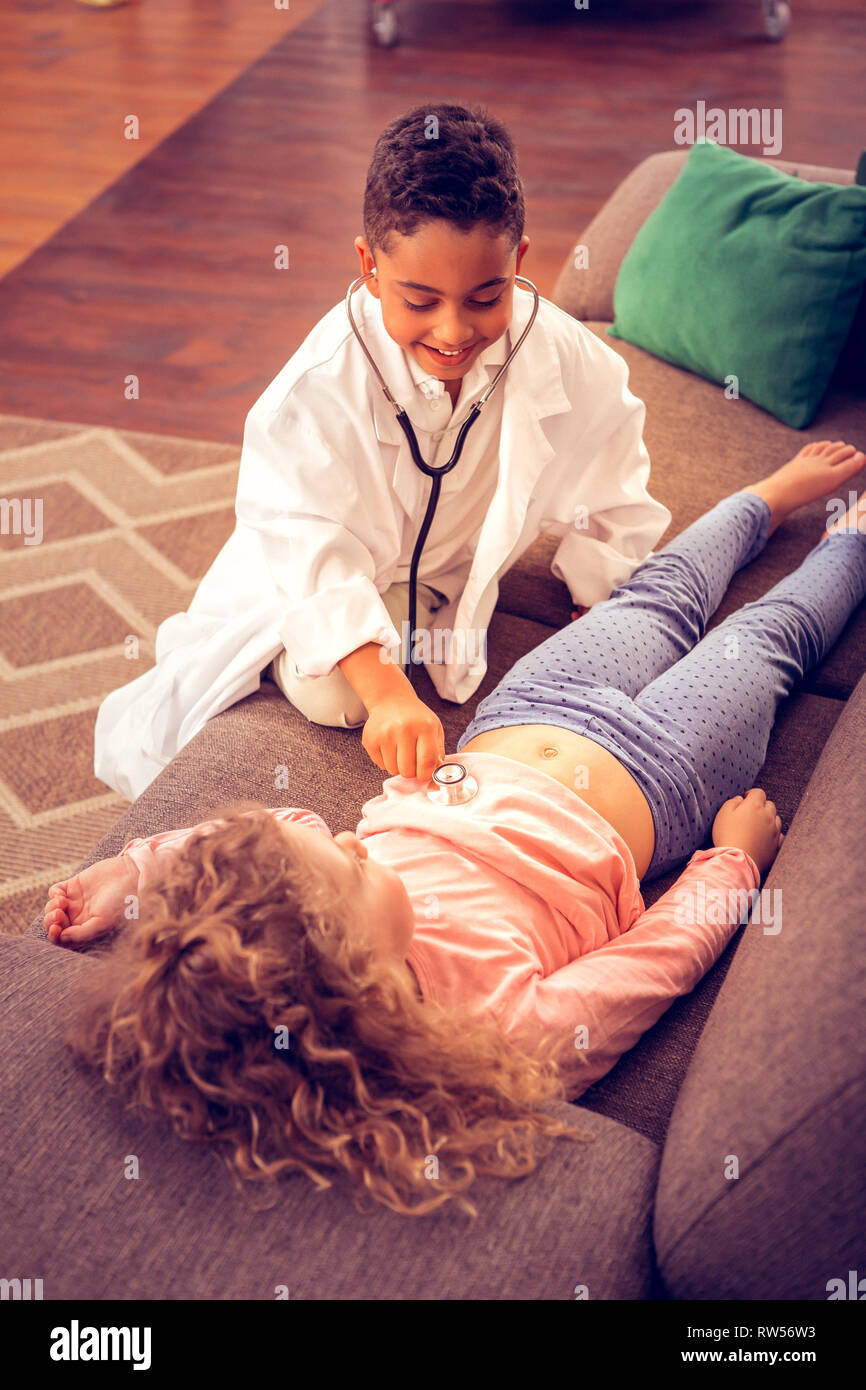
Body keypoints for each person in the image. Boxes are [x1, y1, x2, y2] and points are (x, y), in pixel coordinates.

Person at [46, 442, 866, 1220]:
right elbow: (648, 968)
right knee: (763, 641)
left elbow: (268, 841)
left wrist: (138, 871)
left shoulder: (322, 906)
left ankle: (766, 499)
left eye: (336, 843)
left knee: (658, 592)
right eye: (349, 866)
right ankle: (851, 545)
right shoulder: (495, 1029)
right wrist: (730, 865)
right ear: (355, 984)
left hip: (530, 707)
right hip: (665, 775)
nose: (351, 838)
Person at [92, 102, 671, 803]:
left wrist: (599, 582)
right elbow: (306, 540)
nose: (454, 331)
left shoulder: (560, 356)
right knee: (342, 696)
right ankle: (319, 645)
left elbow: (611, 461)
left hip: (436, 579)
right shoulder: (315, 391)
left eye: (485, 297)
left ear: (519, 265)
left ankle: (398, 611)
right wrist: (387, 688)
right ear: (369, 268)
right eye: (420, 301)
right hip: (313, 575)